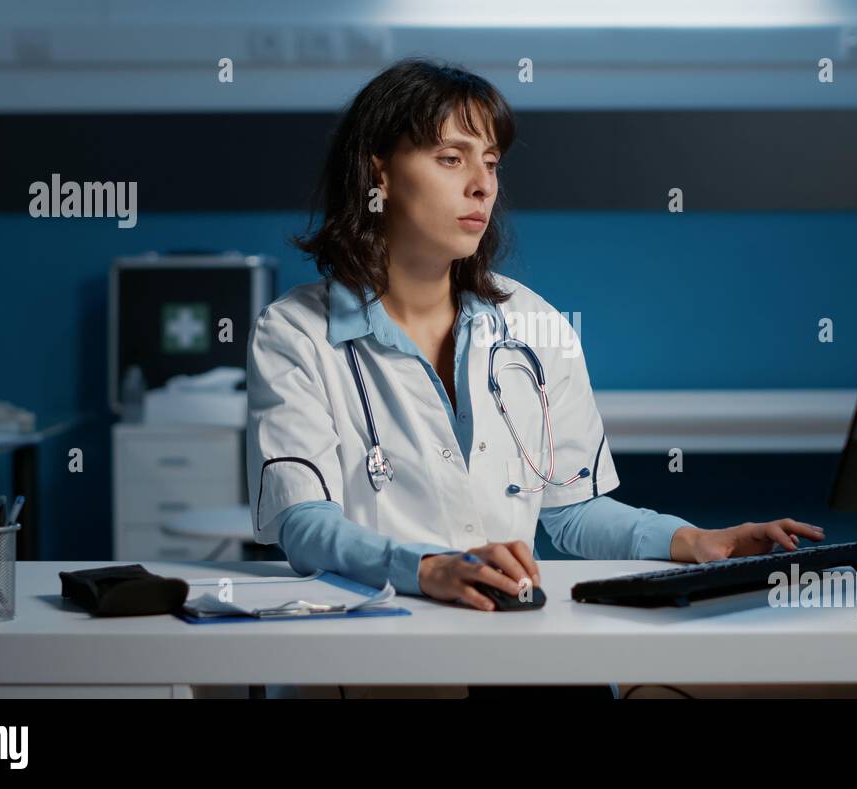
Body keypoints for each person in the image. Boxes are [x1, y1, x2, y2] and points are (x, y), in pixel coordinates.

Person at [246, 58, 824, 698]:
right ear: (377, 171)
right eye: (450, 158)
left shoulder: (532, 322)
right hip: (378, 661)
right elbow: (304, 524)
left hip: (518, 648)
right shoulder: (293, 332)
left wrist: (695, 541)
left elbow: (573, 511)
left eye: (490, 163)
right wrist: (428, 568)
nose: (481, 186)